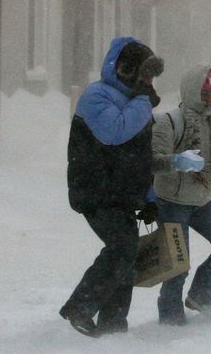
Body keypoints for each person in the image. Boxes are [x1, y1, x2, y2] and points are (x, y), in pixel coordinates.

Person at [60, 37, 164, 337]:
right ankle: (80, 307)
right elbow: (114, 133)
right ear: (125, 69)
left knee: (127, 258)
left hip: (121, 195)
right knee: (122, 248)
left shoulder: (136, 103)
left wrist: (149, 197)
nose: (147, 81)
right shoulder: (96, 96)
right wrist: (144, 99)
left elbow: (140, 156)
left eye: (150, 77)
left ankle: (113, 325)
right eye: (143, 74)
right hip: (95, 190)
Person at [151, 64, 211, 325]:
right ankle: (170, 321)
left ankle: (202, 297)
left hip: (201, 201)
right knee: (177, 265)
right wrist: (176, 161)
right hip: (172, 203)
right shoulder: (169, 122)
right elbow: (151, 162)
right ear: (191, 91)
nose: (209, 99)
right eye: (204, 93)